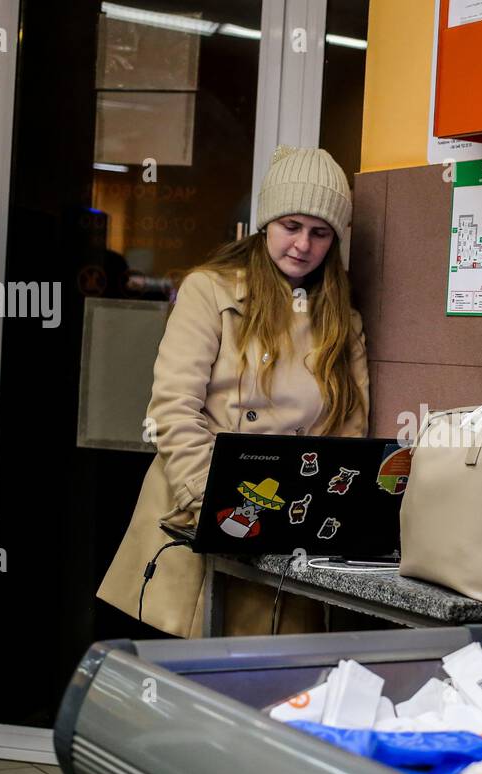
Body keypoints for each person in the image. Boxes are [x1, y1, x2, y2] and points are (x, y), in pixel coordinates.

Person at [97, 145, 369, 638]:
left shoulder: (343, 319)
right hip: (200, 520)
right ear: (266, 223)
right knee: (189, 688)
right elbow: (172, 410)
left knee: (267, 689)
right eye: (291, 226)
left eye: (319, 232)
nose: (302, 245)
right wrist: (214, 505)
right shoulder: (210, 290)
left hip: (291, 535)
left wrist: (327, 519)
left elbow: (350, 432)